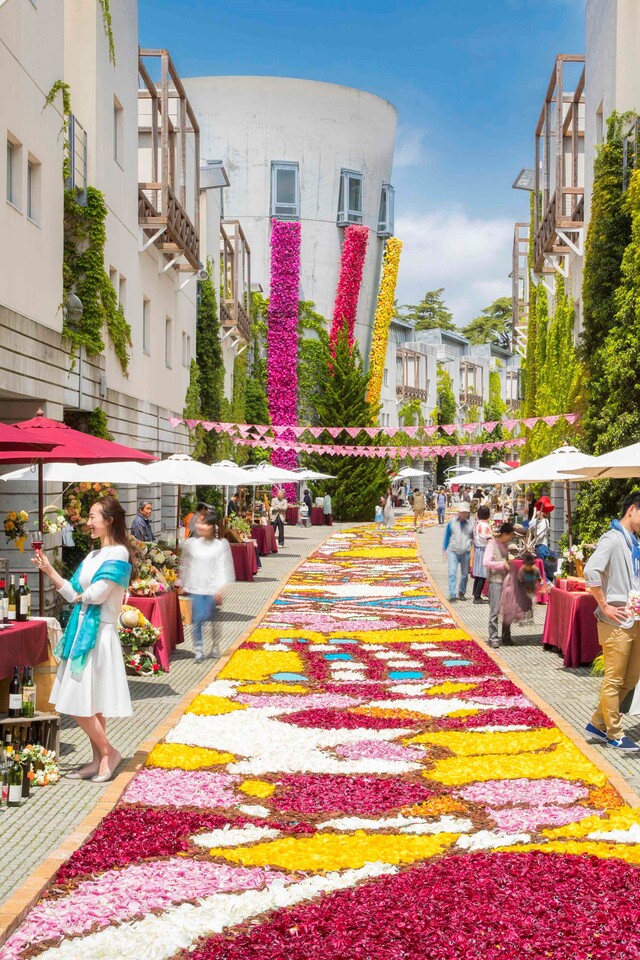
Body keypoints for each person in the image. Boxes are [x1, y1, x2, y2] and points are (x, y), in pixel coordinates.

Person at [32, 496, 133, 782]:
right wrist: (49, 570)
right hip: (83, 633)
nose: (87, 522)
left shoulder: (119, 554)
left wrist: (79, 598)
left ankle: (109, 753)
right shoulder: (91, 557)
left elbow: (96, 595)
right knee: (91, 702)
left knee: (76, 701)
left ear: (109, 520)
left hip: (99, 634)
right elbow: (73, 593)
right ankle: (98, 760)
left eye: (92, 517)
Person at [583, 491, 640, 750]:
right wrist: (604, 604)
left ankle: (597, 722)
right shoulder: (613, 539)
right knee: (615, 679)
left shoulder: (634, 542)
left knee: (631, 679)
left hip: (633, 618)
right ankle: (615, 733)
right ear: (632, 510)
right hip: (615, 621)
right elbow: (590, 570)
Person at [180, 512, 235, 662]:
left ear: (212, 526)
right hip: (195, 586)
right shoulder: (191, 544)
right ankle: (198, 649)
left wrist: (220, 587)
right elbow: (185, 564)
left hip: (212, 587)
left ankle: (215, 643)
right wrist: (182, 582)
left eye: (204, 523)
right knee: (198, 618)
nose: (200, 526)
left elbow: (223, 567)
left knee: (210, 617)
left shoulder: (220, 545)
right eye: (198, 523)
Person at [483, 521, 515, 648]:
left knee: (508, 610)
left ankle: (506, 636)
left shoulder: (505, 545)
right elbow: (486, 562)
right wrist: (502, 564)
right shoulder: (492, 545)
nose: (511, 538)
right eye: (510, 535)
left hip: (506, 581)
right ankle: (493, 638)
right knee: (495, 610)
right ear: (505, 534)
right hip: (495, 581)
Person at [443, 502, 473, 601]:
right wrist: (444, 550)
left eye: (466, 513)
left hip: (466, 551)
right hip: (453, 551)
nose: (464, 514)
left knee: (464, 574)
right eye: (462, 512)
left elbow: (474, 538)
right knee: (452, 573)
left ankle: (462, 592)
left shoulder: (471, 524)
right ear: (459, 512)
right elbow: (447, 536)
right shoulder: (452, 522)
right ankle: (452, 594)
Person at [529, 496, 555, 581]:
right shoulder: (541, 521)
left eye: (538, 510)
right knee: (540, 568)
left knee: (541, 569)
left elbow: (539, 536)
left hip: (541, 547)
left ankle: (547, 585)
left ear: (542, 512)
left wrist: (534, 531)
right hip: (539, 546)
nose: (537, 512)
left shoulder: (544, 522)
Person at [471, 505, 492, 603]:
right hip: (484, 550)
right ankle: (477, 596)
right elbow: (488, 538)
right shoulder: (485, 525)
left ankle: (475, 594)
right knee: (483, 574)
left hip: (478, 549)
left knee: (479, 573)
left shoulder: (477, 523)